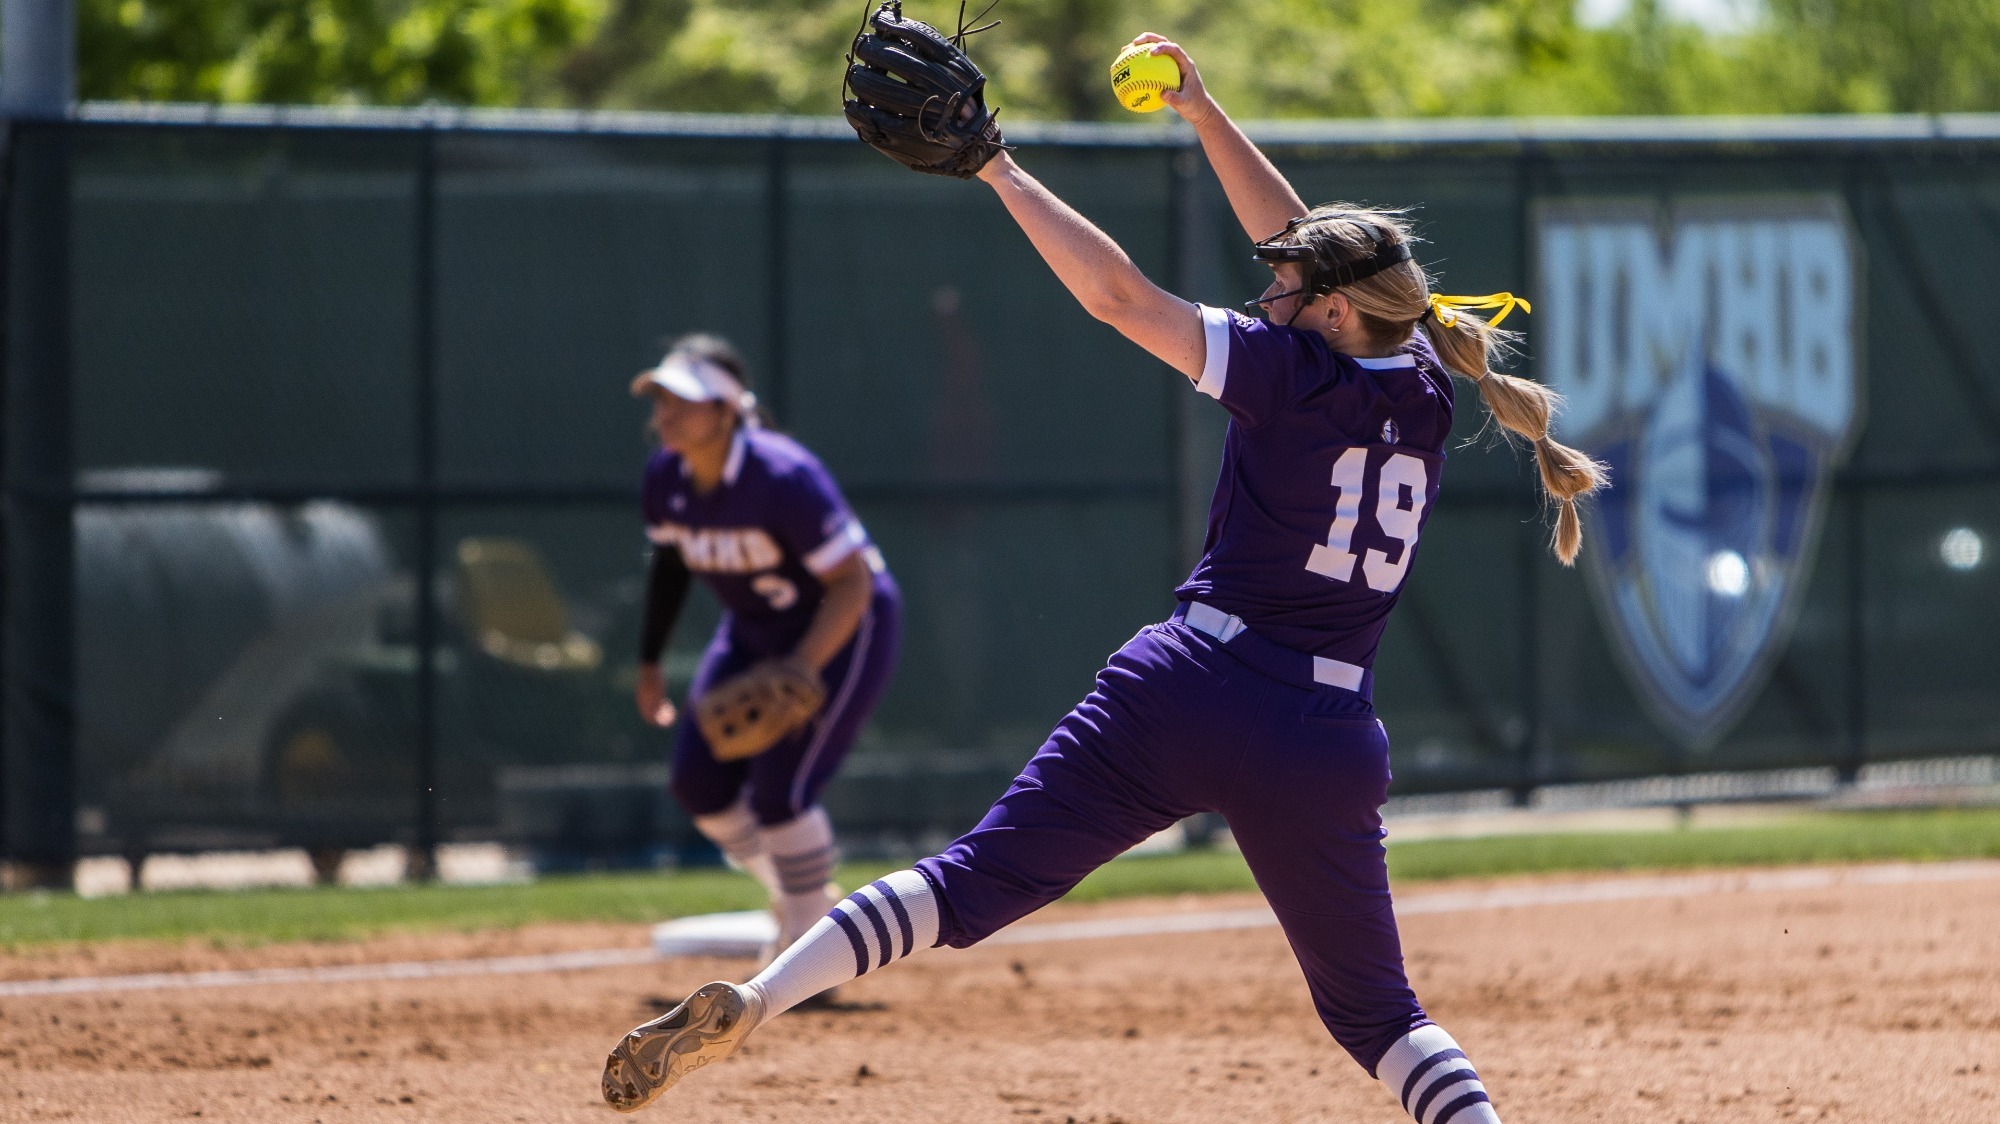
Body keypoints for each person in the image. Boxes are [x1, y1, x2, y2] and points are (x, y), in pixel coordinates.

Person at [603, 38, 1604, 1122]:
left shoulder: (1283, 373)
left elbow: (1121, 297)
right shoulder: (1420, 382)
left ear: (1329, 310)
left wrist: (994, 165)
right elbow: (1308, 246)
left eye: (1282, 284)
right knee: (1379, 1017)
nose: (1266, 285)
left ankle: (759, 995)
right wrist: (1205, 112)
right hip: (1320, 731)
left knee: (968, 880)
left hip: (1183, 690)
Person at [629, 333, 900, 963]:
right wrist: (649, 662)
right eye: (661, 399)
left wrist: (803, 667)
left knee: (782, 793)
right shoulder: (665, 476)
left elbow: (852, 581)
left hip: (846, 625)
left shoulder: (781, 476)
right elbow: (671, 566)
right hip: (754, 629)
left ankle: (812, 952)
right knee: (697, 783)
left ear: (726, 412)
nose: (666, 414)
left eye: (683, 402)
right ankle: (801, 895)